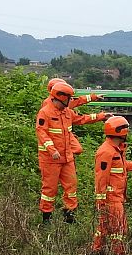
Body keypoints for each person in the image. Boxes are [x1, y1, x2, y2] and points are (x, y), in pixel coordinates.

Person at [35, 81, 108, 223]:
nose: (71, 100)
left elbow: (81, 119)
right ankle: (46, 218)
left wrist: (101, 116)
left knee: (71, 187)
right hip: (50, 160)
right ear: (62, 97)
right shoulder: (45, 112)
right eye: (69, 98)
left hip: (67, 158)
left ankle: (69, 217)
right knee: (49, 190)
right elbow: (41, 132)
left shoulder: (67, 112)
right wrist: (52, 150)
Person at [91, 115, 132, 255]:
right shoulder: (106, 152)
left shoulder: (115, 150)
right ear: (121, 132)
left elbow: (123, 166)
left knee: (105, 228)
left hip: (114, 197)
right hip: (111, 198)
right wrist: (101, 200)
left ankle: (97, 252)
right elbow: (101, 177)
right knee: (118, 229)